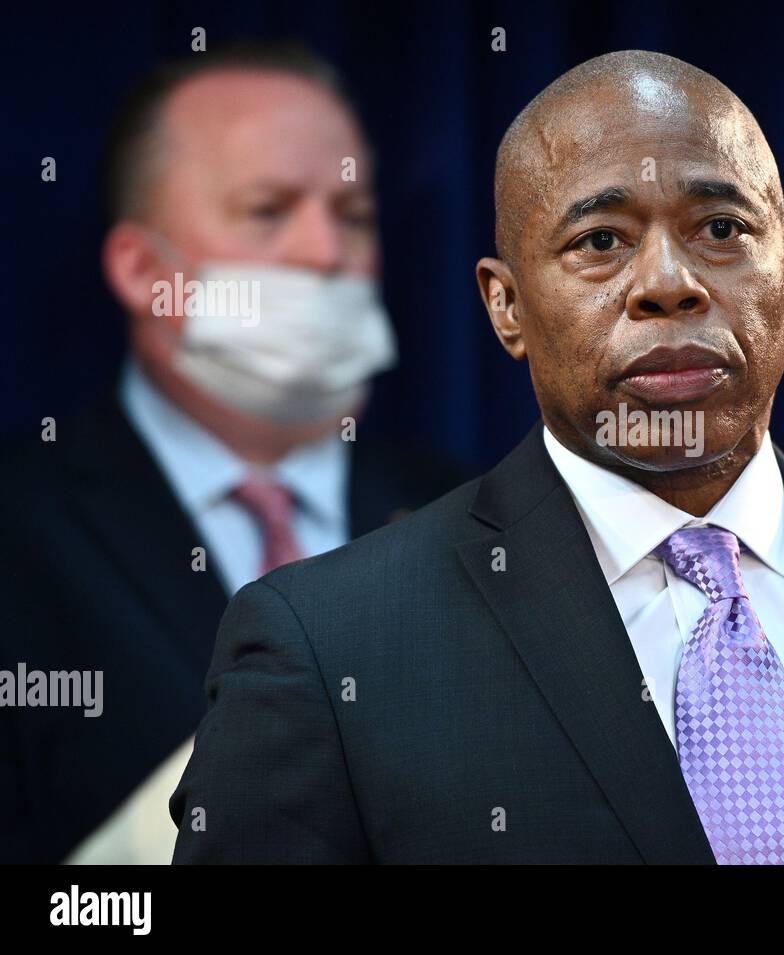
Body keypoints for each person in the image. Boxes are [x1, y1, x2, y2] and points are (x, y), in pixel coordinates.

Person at [169, 51, 784, 865]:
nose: (668, 283)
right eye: (600, 242)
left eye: (720, 229)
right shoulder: (329, 653)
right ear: (506, 307)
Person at [0, 42, 463, 864]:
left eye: (352, 216)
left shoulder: (476, 519)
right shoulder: (19, 529)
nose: (326, 252)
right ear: (143, 267)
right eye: (268, 210)